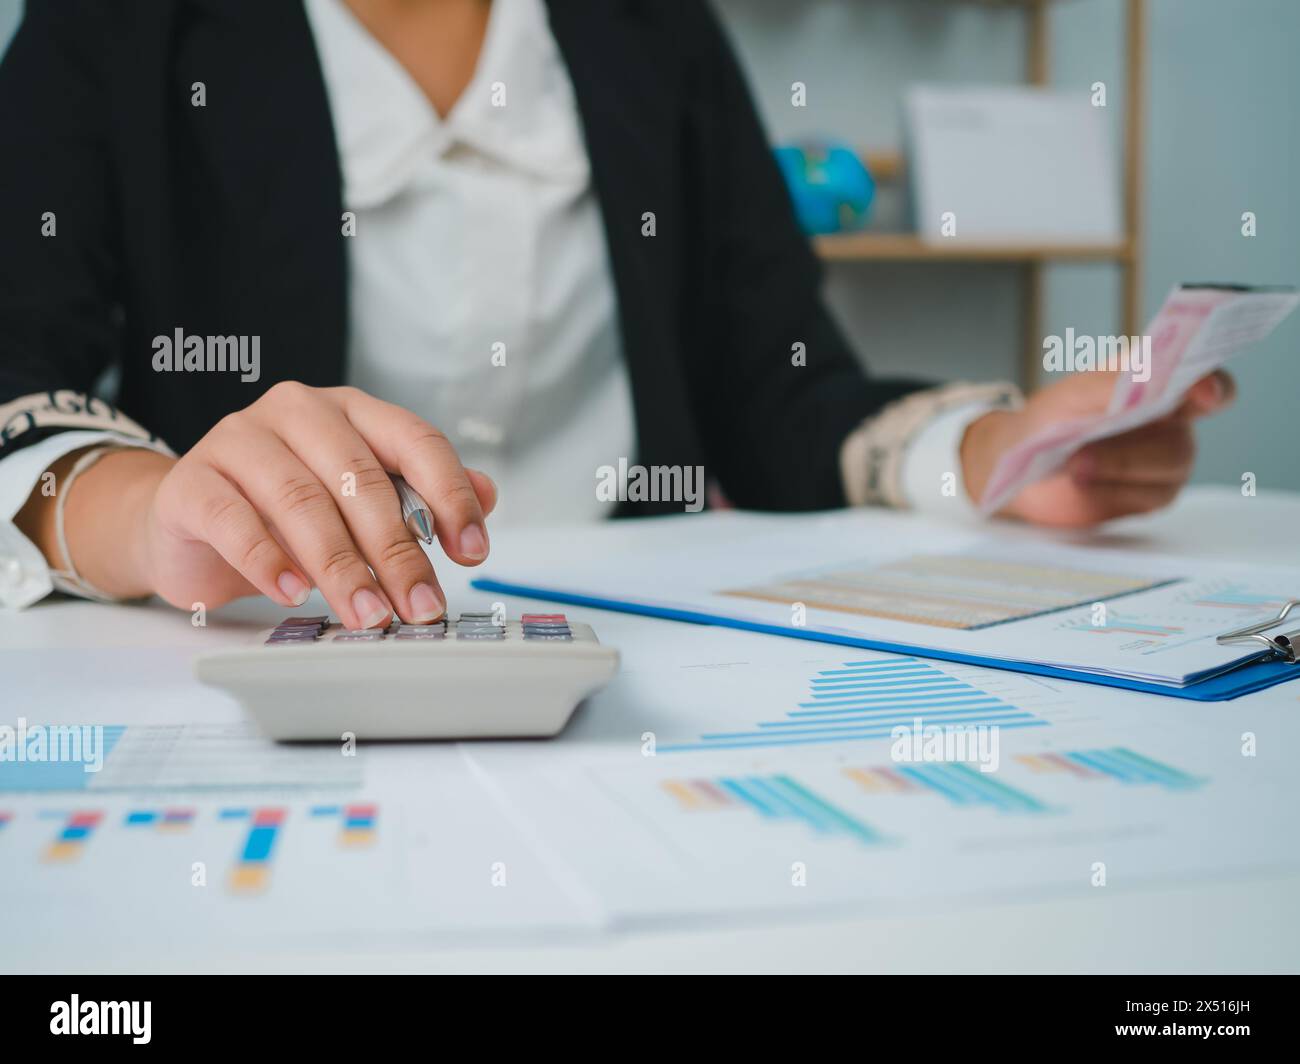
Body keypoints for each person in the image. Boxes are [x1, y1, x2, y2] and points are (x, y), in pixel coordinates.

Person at [0, 0, 1231, 631]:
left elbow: (774, 386)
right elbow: (18, 359)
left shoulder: (650, 27)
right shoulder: (117, 27)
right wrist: (147, 514)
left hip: (655, 652)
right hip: (267, 647)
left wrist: (987, 452)